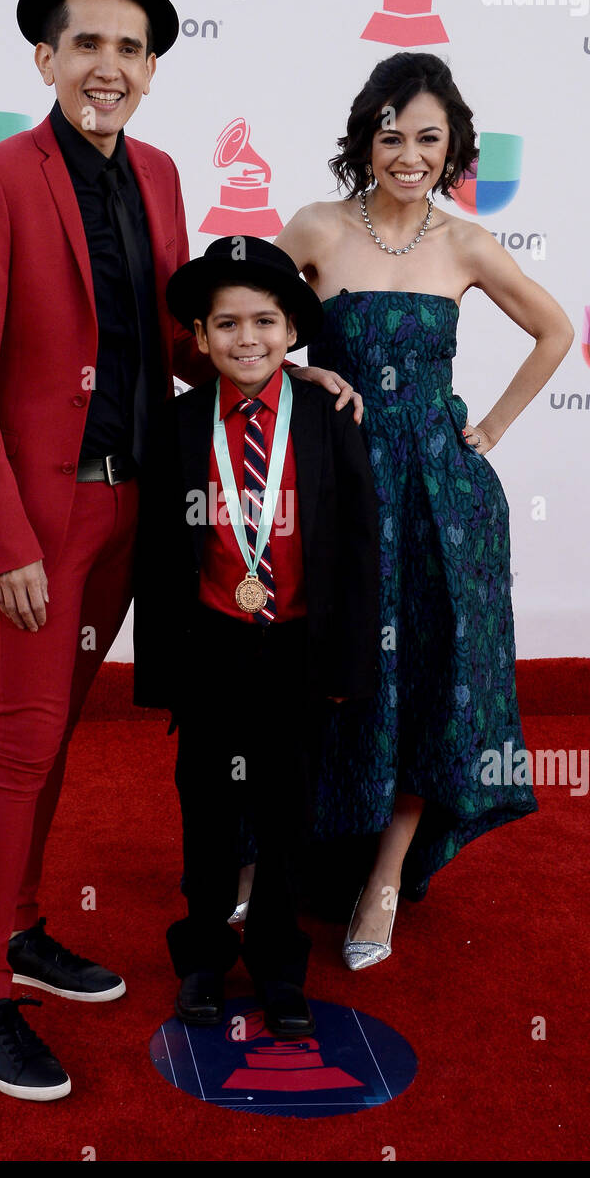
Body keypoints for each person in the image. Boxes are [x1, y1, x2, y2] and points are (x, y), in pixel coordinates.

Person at [0, 0, 360, 1100]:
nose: (108, 66)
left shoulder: (163, 175)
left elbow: (182, 343)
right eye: (87, 44)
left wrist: (288, 378)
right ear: (46, 55)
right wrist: (9, 539)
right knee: (20, 742)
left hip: (138, 510)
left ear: (153, 68)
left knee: (56, 734)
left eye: (131, 48)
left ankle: (22, 928)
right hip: (39, 511)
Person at [276, 52, 574, 970]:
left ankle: (384, 881)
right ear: (365, 137)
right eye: (390, 134)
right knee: (314, 672)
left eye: (428, 139)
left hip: (442, 502)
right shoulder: (315, 227)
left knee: (432, 683)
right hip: (336, 492)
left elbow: (556, 329)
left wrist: (486, 428)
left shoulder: (466, 244)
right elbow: (242, 325)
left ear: (453, 149)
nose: (408, 154)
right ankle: (275, 856)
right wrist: (301, 369)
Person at [132, 237, 379, 1036]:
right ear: (199, 337)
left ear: (291, 332)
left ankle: (277, 963)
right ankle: (202, 957)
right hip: (211, 644)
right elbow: (157, 554)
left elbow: (356, 541)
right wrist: (162, 666)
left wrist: (347, 660)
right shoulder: (174, 424)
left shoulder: (326, 414)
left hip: (299, 647)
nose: (248, 340)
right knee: (204, 804)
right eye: (227, 324)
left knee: (286, 810)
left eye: (265, 322)